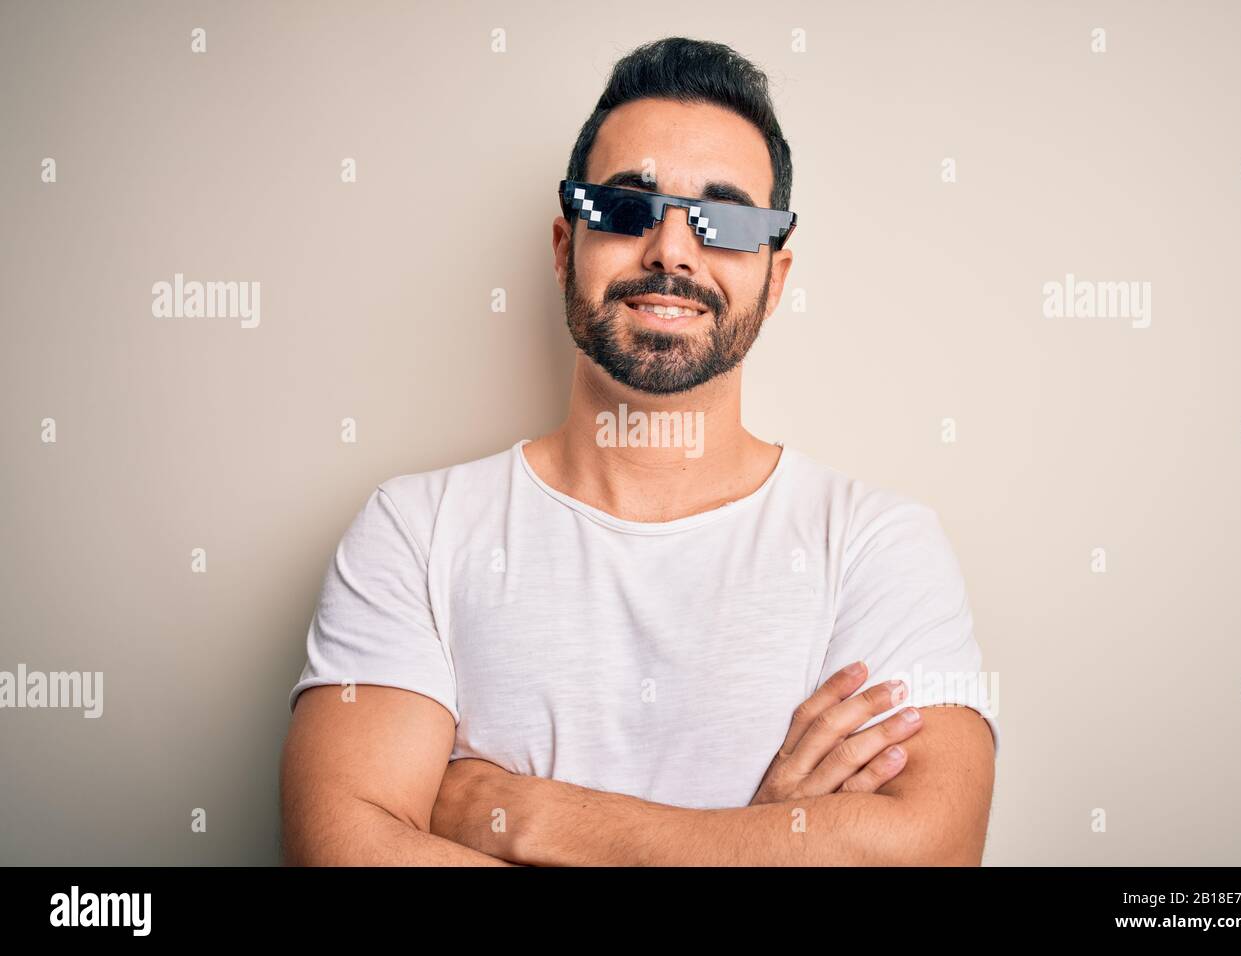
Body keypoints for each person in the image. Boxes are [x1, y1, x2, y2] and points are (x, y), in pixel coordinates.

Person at [280, 36, 998, 866]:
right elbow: (341, 852)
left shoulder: (878, 544)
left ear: (776, 277)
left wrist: (542, 818)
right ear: (564, 249)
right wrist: (754, 845)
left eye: (725, 221)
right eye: (624, 209)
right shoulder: (416, 530)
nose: (671, 250)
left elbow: (930, 850)